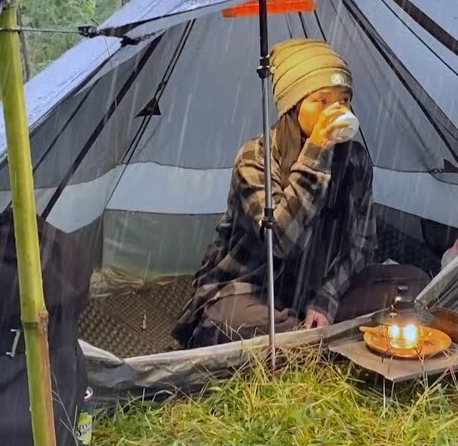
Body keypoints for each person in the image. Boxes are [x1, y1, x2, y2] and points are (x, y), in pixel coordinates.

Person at [172, 38, 430, 348]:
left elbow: (362, 244)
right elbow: (278, 241)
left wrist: (327, 297)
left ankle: (311, 334)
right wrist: (316, 152)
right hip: (250, 289)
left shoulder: (356, 159)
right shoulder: (255, 158)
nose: (335, 110)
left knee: (414, 285)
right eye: (321, 100)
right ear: (293, 107)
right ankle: (312, 338)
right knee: (232, 322)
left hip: (316, 283)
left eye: (343, 100)